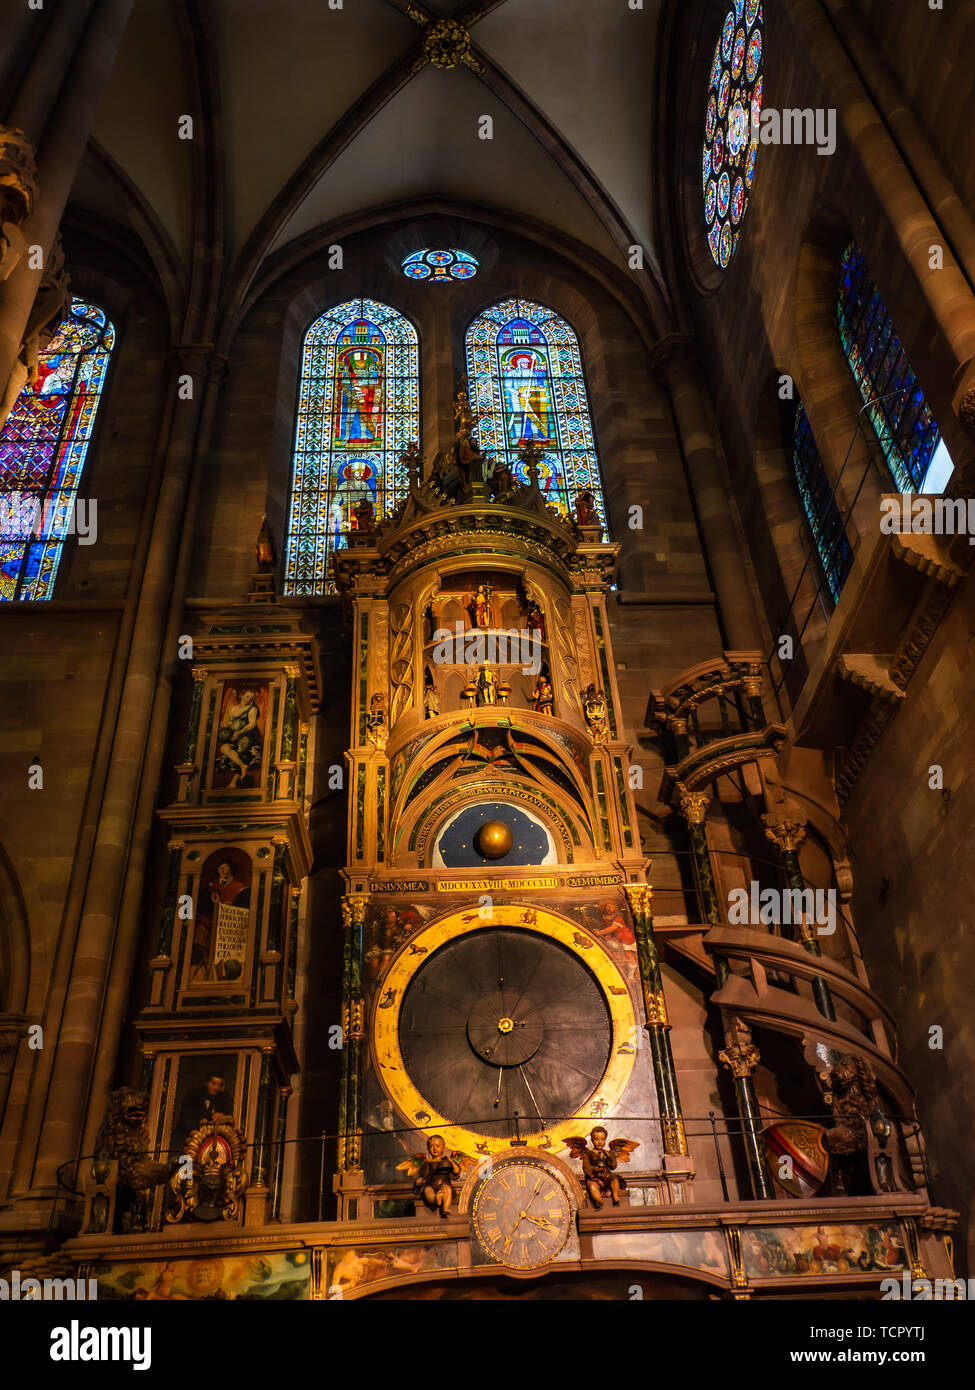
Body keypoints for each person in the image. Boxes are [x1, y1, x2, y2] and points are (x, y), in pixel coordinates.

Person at [216, 689, 262, 788]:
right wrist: (227, 725)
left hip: (248, 735)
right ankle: (242, 766)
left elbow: (252, 724)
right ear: (241, 695)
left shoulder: (252, 709)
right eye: (247, 696)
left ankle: (233, 783)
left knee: (240, 752)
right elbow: (232, 722)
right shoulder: (234, 709)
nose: (248, 699)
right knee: (224, 749)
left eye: (251, 698)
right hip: (234, 735)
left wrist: (239, 732)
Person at [176, 1073, 234, 1149]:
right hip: (188, 1142)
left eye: (220, 1085)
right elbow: (186, 1123)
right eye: (214, 1084)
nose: (216, 1088)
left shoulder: (222, 1100)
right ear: (206, 1083)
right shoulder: (191, 1098)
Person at [414, 1135, 461, 1217]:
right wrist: (419, 1181)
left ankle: (445, 1207)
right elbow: (424, 1176)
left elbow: (456, 1171)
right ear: (428, 1148)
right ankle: (435, 1198)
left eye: (438, 1146)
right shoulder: (428, 1164)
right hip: (431, 1184)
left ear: (443, 1148)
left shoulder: (446, 1161)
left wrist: (450, 1161)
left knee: (447, 1189)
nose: (434, 1149)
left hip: (444, 1183)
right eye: (432, 1146)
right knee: (427, 1191)